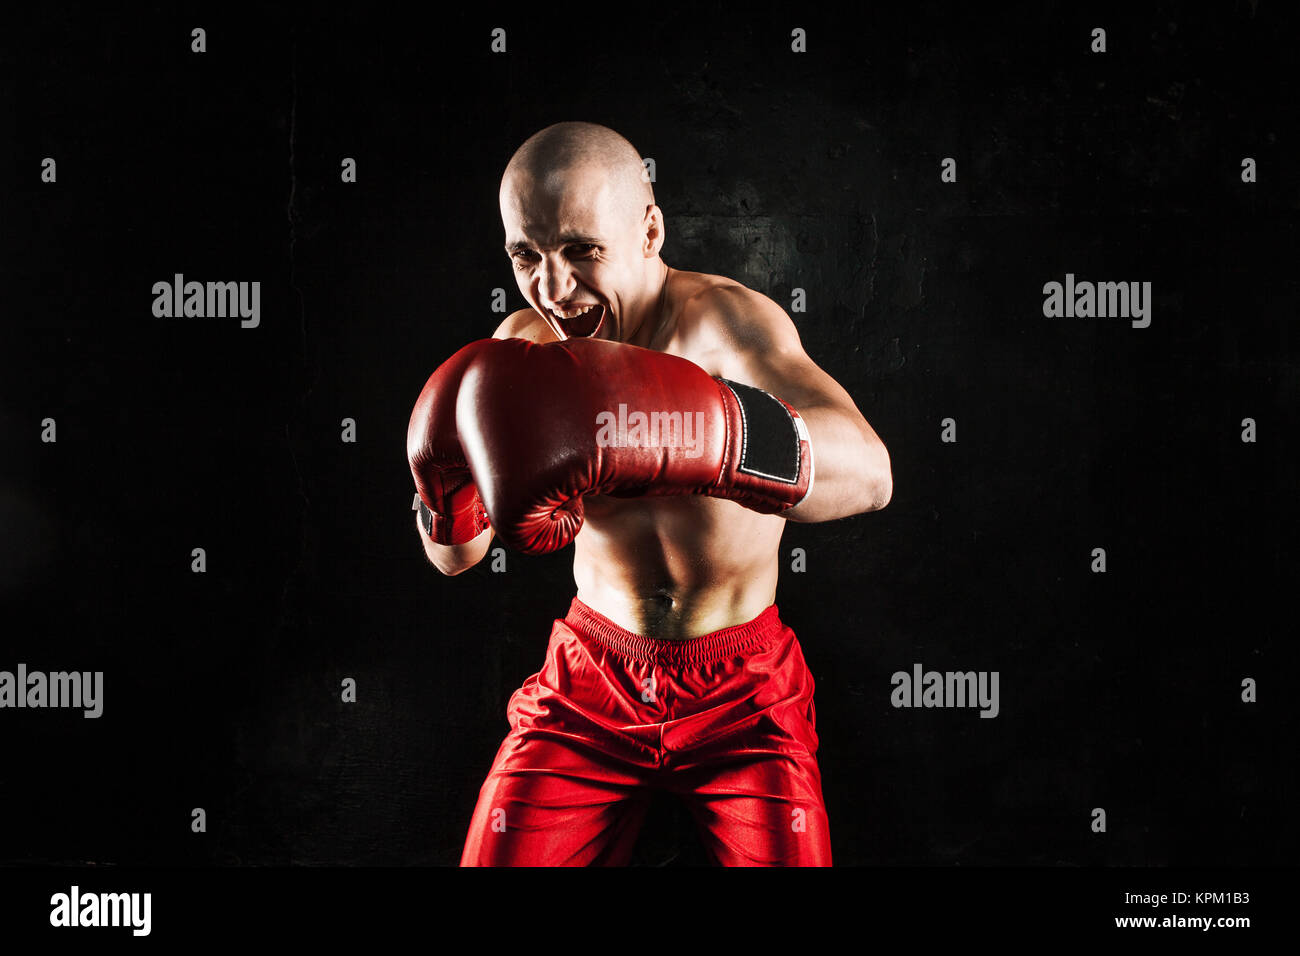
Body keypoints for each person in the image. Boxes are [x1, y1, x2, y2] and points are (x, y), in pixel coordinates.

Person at [407, 121, 892, 866]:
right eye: (525, 256)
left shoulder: (729, 326)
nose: (553, 289)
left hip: (743, 690)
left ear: (650, 230)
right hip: (586, 683)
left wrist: (711, 433)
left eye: (580, 250)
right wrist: (441, 482)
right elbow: (456, 560)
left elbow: (871, 473)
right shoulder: (522, 353)